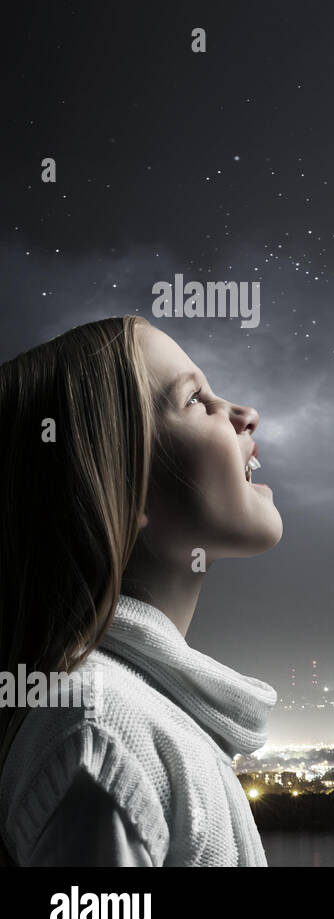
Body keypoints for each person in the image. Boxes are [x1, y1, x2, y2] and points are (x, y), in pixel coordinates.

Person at [0, 314, 282, 865]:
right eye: (196, 400)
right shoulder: (98, 728)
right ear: (122, 483)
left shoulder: (129, 717)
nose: (246, 414)